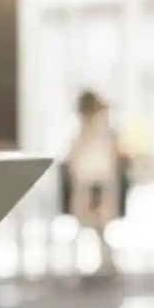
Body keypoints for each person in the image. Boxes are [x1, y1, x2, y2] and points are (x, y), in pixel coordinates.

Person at [64, 90, 122, 274]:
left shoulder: (102, 131)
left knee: (100, 226)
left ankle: (107, 263)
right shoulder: (87, 131)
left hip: (97, 181)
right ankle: (96, 264)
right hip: (88, 182)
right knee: (89, 226)